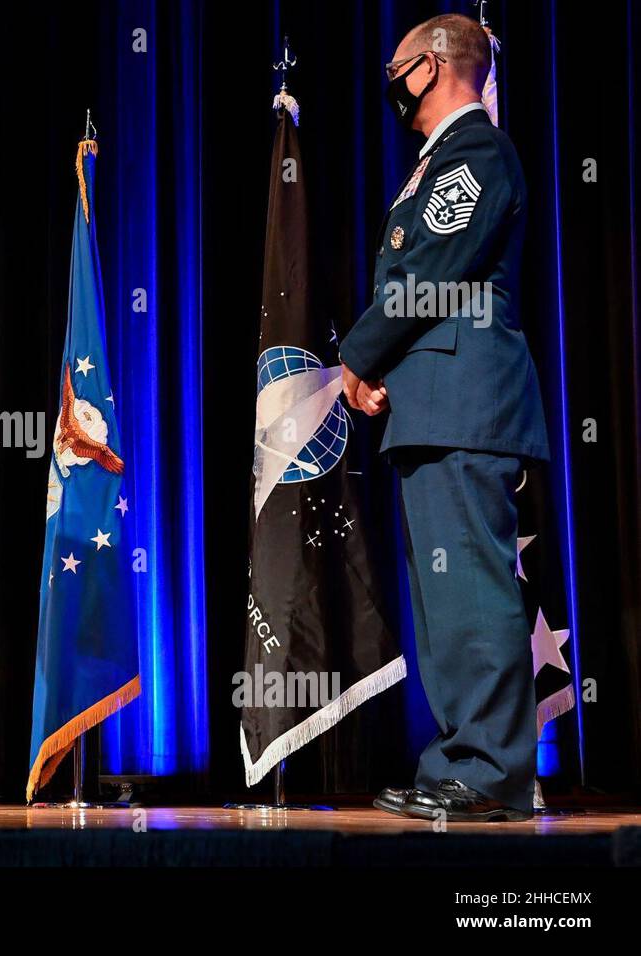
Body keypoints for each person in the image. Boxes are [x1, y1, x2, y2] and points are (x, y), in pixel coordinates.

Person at [340, 13, 550, 822]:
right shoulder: (438, 160)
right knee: (445, 606)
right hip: (433, 406)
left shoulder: (476, 152)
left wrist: (360, 356)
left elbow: (430, 268)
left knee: (471, 595)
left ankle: (491, 772)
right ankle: (461, 764)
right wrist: (380, 370)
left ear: (432, 65)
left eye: (399, 67)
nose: (391, 83)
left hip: (466, 404)